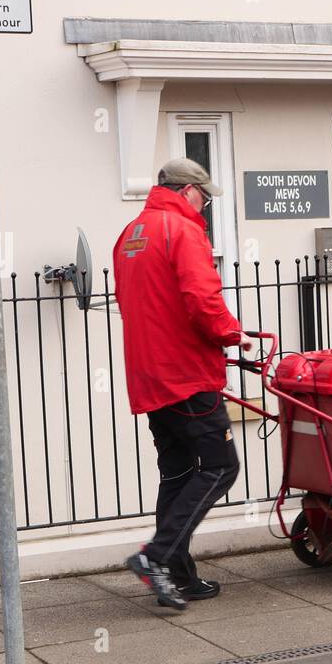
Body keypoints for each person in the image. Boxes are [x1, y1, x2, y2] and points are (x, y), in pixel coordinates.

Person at [113, 158, 248, 610]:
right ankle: (157, 556)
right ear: (189, 191)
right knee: (220, 466)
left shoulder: (131, 234)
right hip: (186, 374)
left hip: (149, 375)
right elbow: (202, 299)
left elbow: (137, 302)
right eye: (205, 197)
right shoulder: (182, 231)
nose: (205, 206)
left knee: (177, 472)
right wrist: (235, 335)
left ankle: (179, 575)